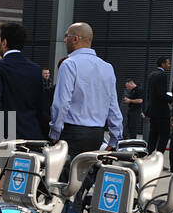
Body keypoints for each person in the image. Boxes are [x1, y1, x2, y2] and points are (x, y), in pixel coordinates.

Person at [48, 22, 122, 158]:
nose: (64, 40)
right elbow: (113, 106)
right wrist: (114, 137)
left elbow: (62, 103)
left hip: (72, 132)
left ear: (75, 39)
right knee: (88, 170)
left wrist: (55, 132)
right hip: (97, 134)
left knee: (67, 170)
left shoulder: (69, 64)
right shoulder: (107, 67)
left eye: (66, 36)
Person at [0, 23, 50, 141]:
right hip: (32, 133)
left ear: (4, 43)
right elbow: (41, 106)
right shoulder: (36, 69)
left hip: (5, 136)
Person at [145, 57, 172, 154]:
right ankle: (158, 156)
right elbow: (161, 93)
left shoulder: (152, 74)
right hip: (162, 112)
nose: (169, 65)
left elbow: (149, 93)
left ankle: (149, 155)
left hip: (153, 110)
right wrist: (172, 99)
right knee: (164, 134)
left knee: (153, 135)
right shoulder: (162, 75)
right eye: (168, 63)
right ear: (163, 64)